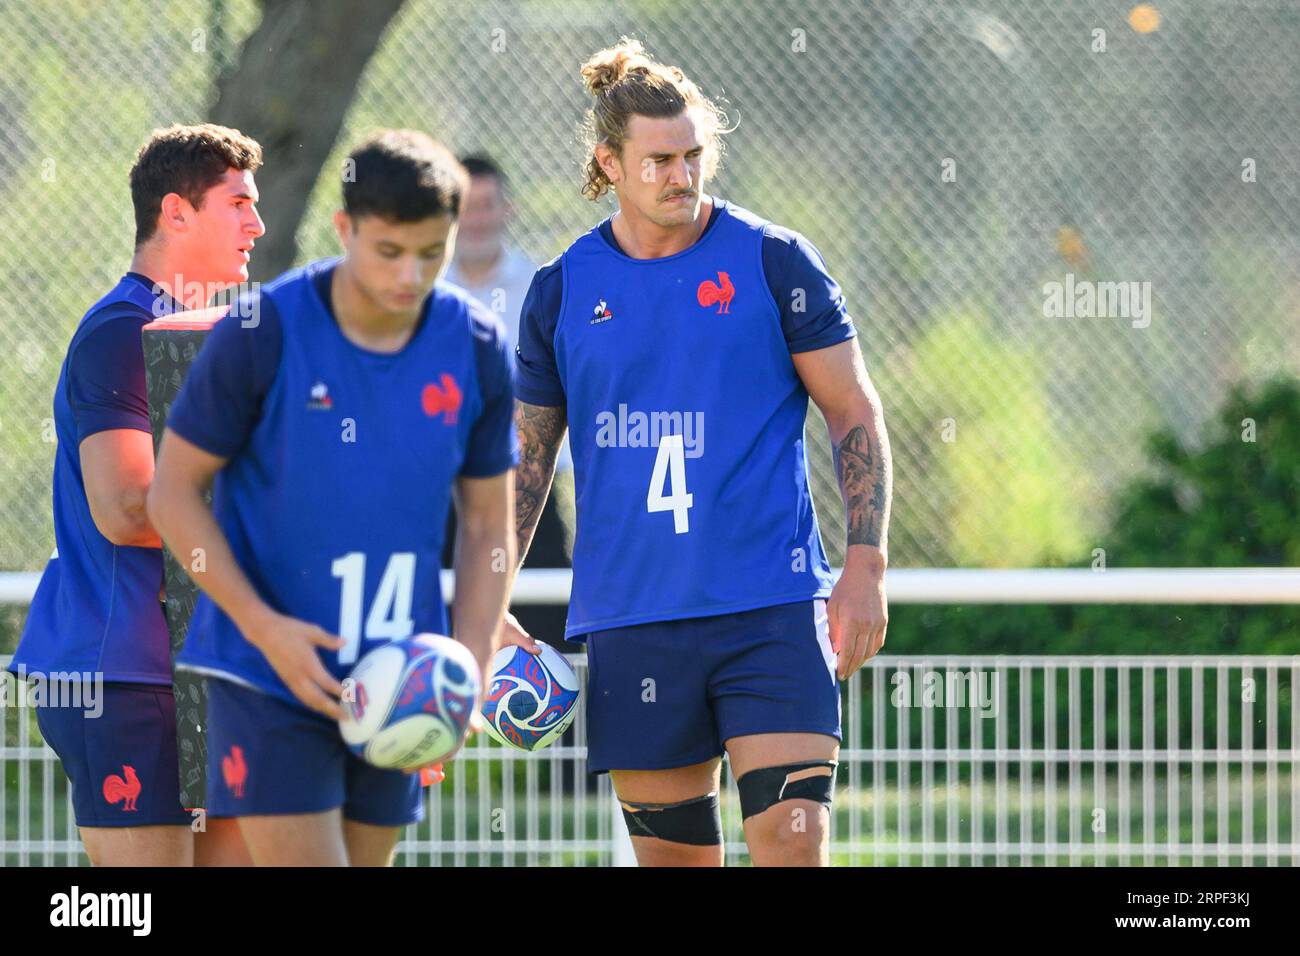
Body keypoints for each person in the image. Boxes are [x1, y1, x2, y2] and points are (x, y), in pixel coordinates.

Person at [505, 39, 893, 867]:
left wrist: (866, 565)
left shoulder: (773, 260)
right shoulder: (562, 290)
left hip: (771, 609)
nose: (682, 176)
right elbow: (527, 463)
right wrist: (488, 602)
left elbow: (853, 408)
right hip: (634, 621)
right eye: (659, 161)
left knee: (794, 841)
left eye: (693, 155)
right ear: (609, 162)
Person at [146, 129, 518, 867]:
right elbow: (172, 496)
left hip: (403, 672)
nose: (412, 274)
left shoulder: (476, 343)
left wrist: (469, 662)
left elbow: (486, 523)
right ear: (345, 229)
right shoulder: (264, 329)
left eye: (431, 252)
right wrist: (266, 629)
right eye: (388, 251)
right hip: (268, 671)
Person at [8, 123, 264, 866]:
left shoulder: (216, 334)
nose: (258, 223)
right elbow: (124, 508)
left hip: (204, 665)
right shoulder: (124, 331)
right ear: (175, 213)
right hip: (121, 673)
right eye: (239, 202)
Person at [444, 156, 574, 649]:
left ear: (508, 210)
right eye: (463, 206)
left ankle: (550, 726)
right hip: (442, 491)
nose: (475, 218)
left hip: (527, 491)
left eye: (486, 205)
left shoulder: (539, 288)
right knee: (443, 630)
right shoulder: (422, 291)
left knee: (544, 628)